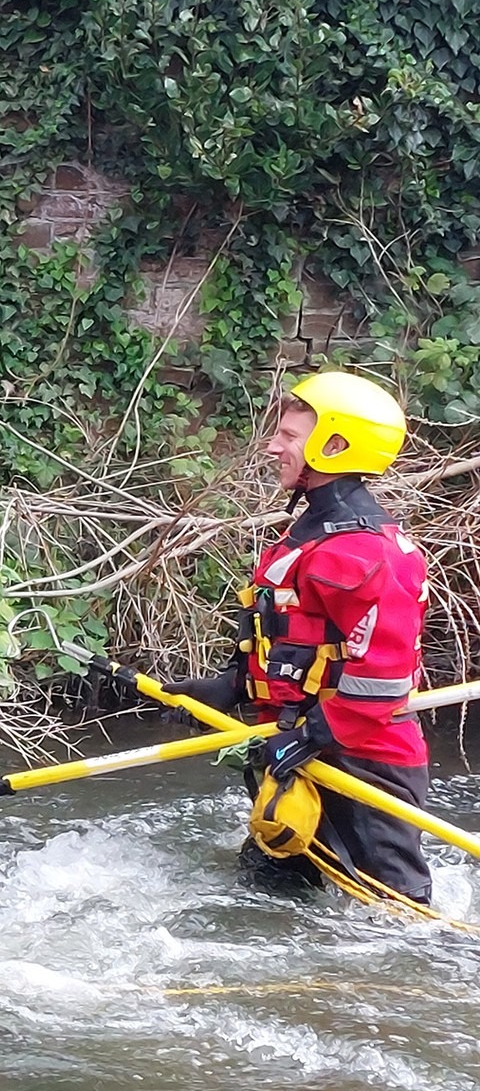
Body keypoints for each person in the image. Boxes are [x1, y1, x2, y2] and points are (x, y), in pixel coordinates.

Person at [165, 371, 431, 903]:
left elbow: (382, 678)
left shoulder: (363, 552)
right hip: (295, 749)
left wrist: (311, 736)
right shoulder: (310, 534)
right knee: (265, 896)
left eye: (289, 436)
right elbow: (293, 635)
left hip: (362, 765)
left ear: (335, 446)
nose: (272, 447)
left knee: (395, 916)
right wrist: (234, 686)